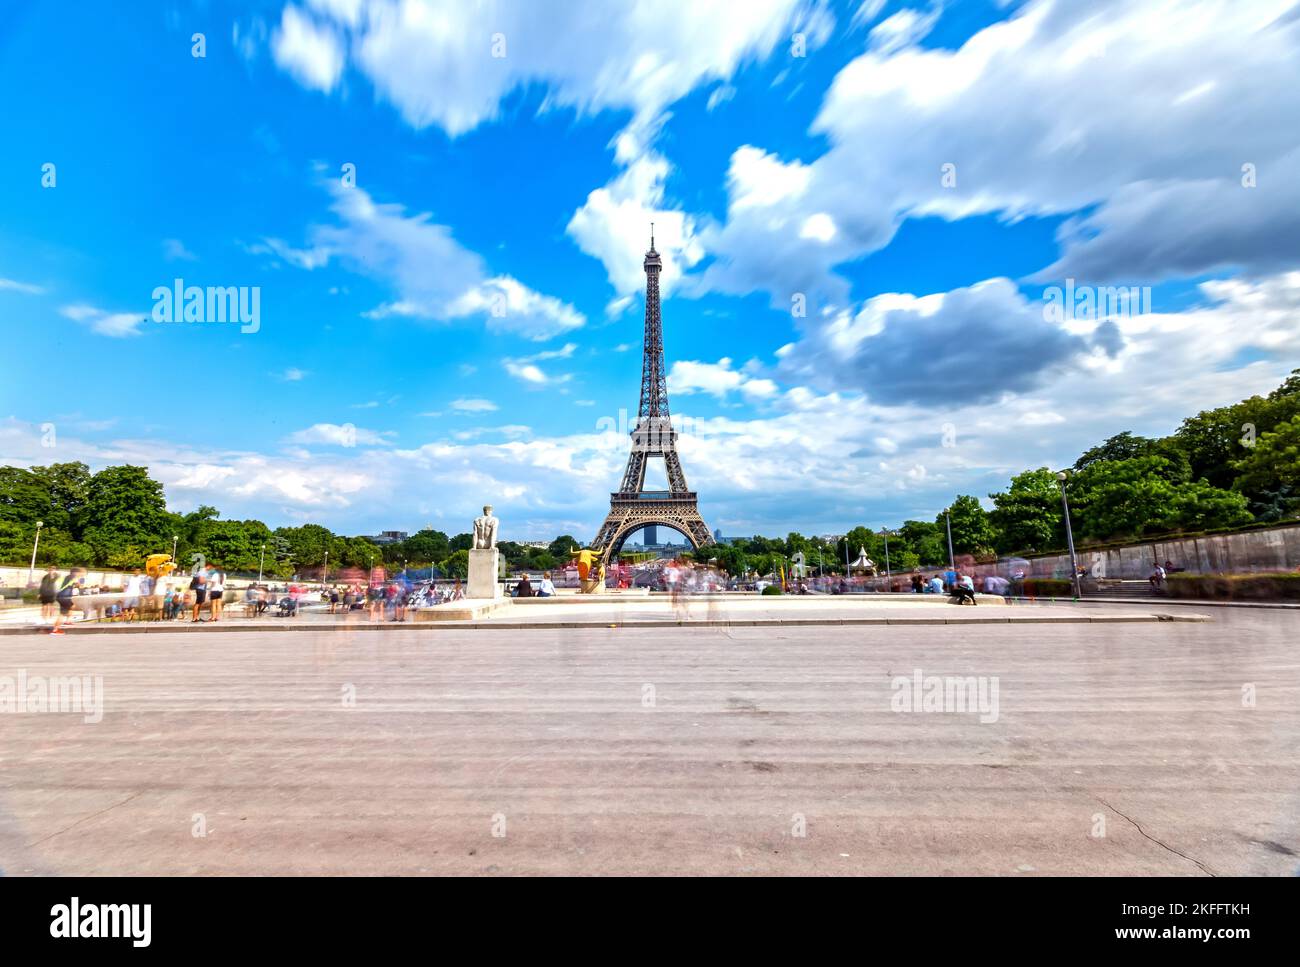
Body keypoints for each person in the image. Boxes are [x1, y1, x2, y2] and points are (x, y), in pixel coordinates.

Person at [50, 567, 85, 635]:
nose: (81, 574)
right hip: (65, 597)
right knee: (62, 614)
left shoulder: (67, 577)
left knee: (72, 606)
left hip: (61, 596)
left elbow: (73, 585)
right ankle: (55, 630)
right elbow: (80, 586)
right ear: (75, 573)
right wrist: (81, 581)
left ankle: (68, 621)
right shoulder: (73, 577)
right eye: (80, 573)